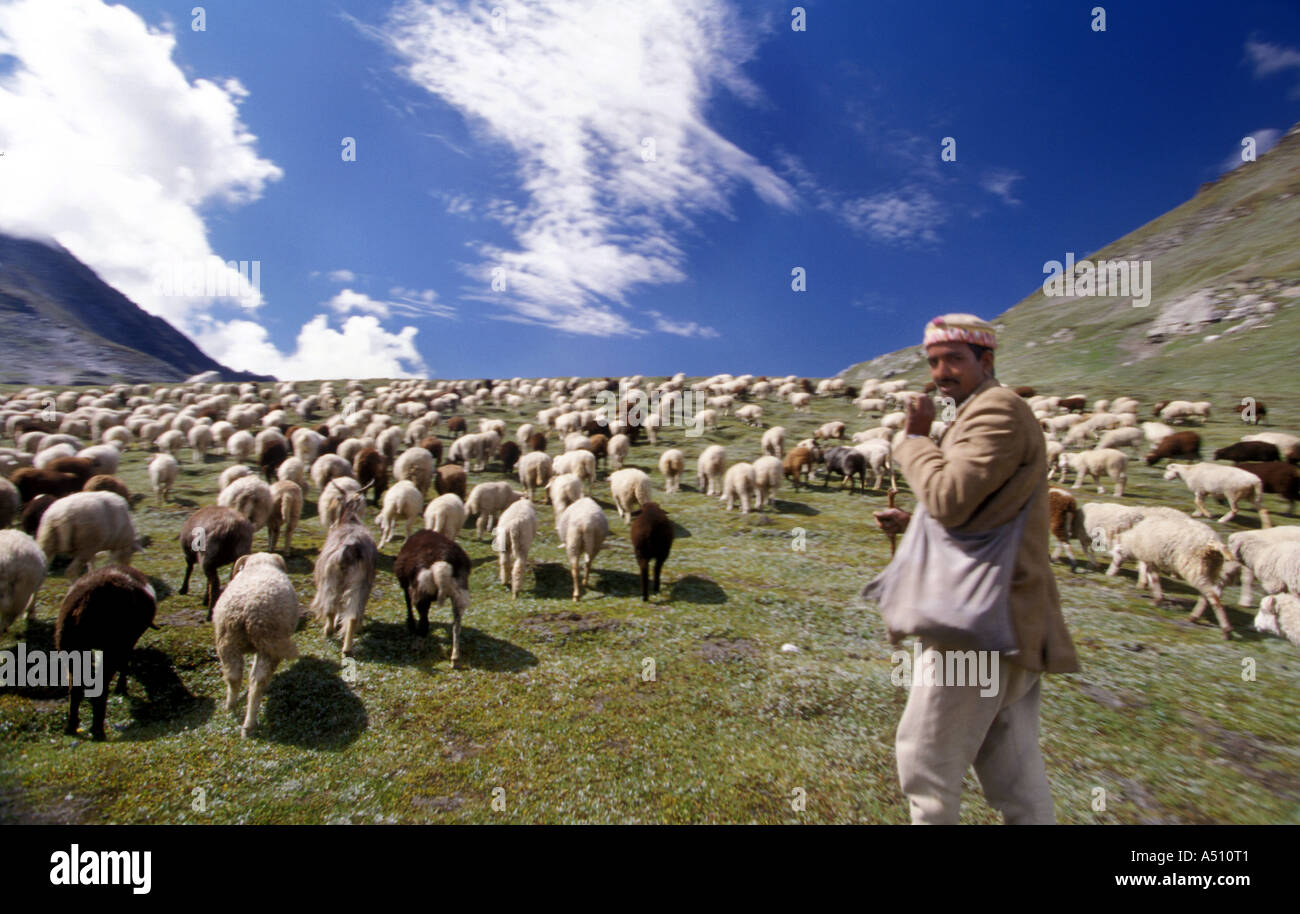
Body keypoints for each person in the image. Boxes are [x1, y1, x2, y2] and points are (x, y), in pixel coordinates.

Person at [890, 313, 1079, 824]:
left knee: (926, 761)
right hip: (1011, 622)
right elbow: (981, 508)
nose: (940, 372)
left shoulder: (995, 410)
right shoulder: (982, 411)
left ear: (986, 360)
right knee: (1011, 768)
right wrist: (914, 522)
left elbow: (950, 498)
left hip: (979, 628)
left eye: (954, 359)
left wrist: (913, 440)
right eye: (933, 362)